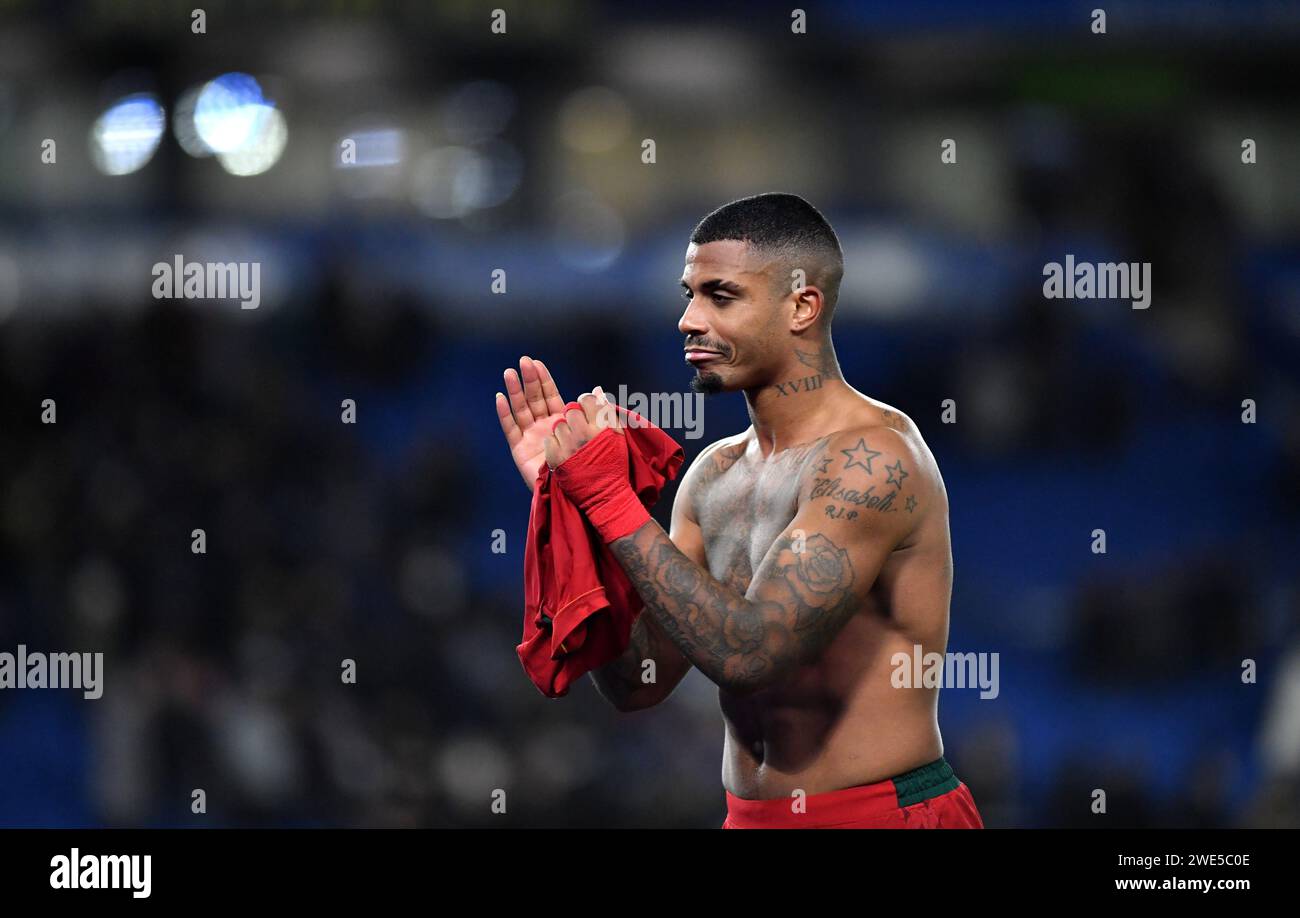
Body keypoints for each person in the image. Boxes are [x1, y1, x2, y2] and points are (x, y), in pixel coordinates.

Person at [496, 193, 982, 828]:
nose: (688, 320)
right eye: (688, 295)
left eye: (720, 296)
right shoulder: (715, 475)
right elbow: (637, 683)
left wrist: (608, 498)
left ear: (802, 305)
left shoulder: (873, 460)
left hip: (878, 816)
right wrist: (574, 507)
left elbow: (750, 655)